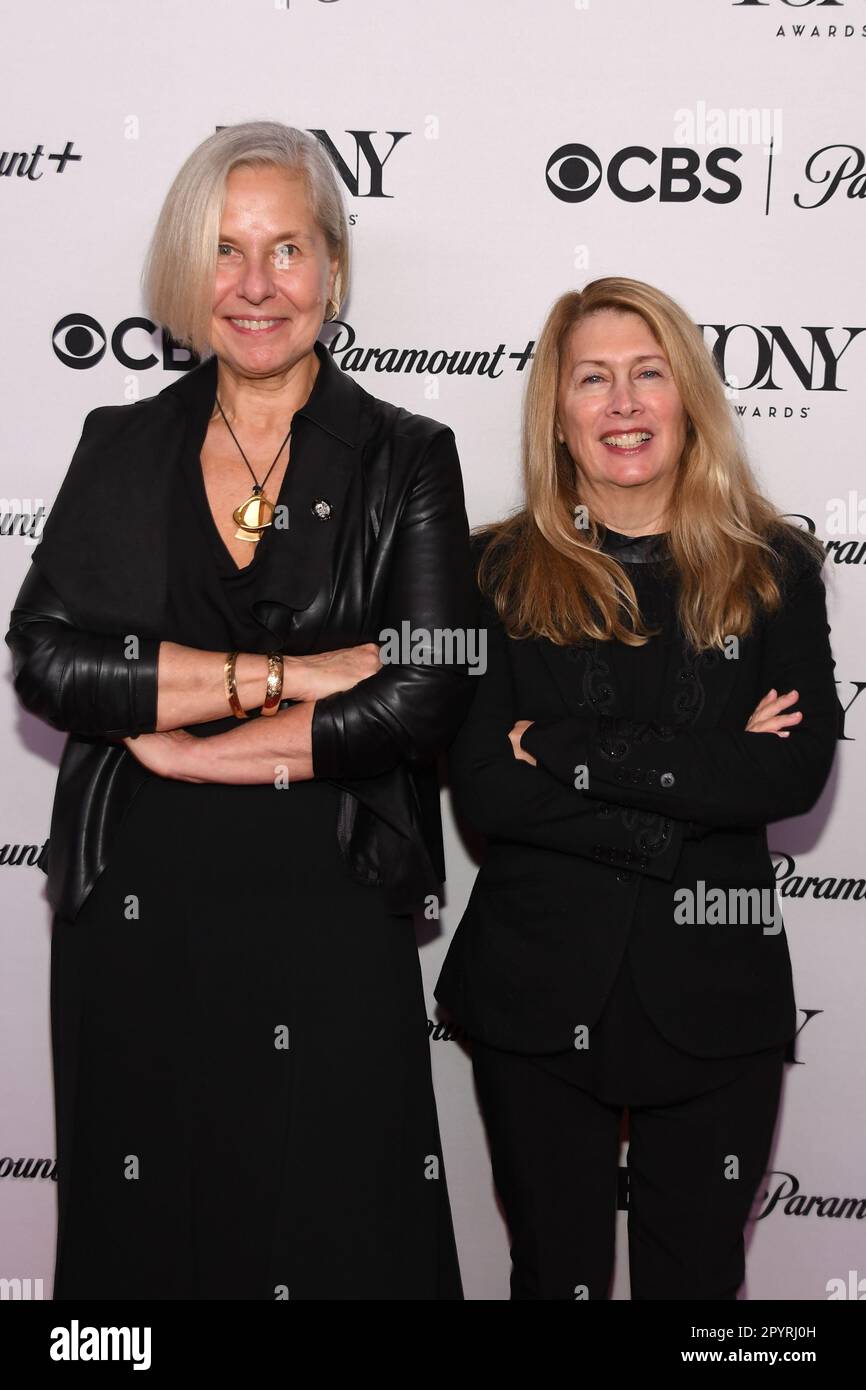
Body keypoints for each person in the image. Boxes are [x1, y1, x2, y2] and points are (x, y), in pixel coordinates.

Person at [5, 120, 475, 1300]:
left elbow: (421, 690)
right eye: (224, 251)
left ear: (331, 266)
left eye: (286, 250)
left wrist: (194, 752)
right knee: (148, 1228)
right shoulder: (124, 444)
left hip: (327, 889)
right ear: (184, 270)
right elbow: (49, 664)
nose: (256, 287)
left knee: (337, 1217)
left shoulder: (403, 456)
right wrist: (292, 673)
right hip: (137, 907)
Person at [435, 277, 842, 1300]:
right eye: (592, 379)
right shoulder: (488, 573)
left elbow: (789, 771)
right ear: (558, 416)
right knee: (553, 1277)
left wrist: (566, 743)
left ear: (686, 398)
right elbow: (486, 790)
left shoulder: (771, 566)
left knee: (699, 1288)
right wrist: (700, 772)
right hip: (533, 991)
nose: (622, 402)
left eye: (646, 374)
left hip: (716, 995)